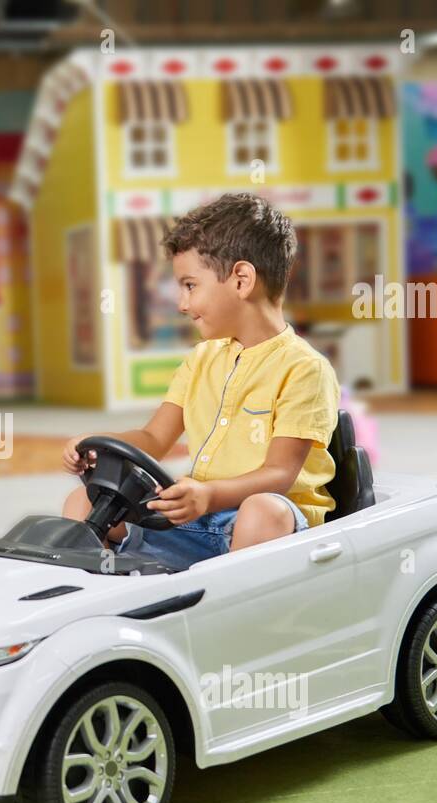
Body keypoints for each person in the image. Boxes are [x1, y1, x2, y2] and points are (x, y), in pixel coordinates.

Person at [62, 193, 339, 565]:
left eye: (190, 285)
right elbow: (153, 439)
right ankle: (103, 598)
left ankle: (235, 610)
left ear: (241, 280)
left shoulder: (304, 368)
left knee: (262, 511)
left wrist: (208, 494)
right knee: (81, 501)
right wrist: (99, 443)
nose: (181, 303)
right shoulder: (201, 359)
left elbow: (279, 474)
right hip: (196, 517)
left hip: (264, 521)